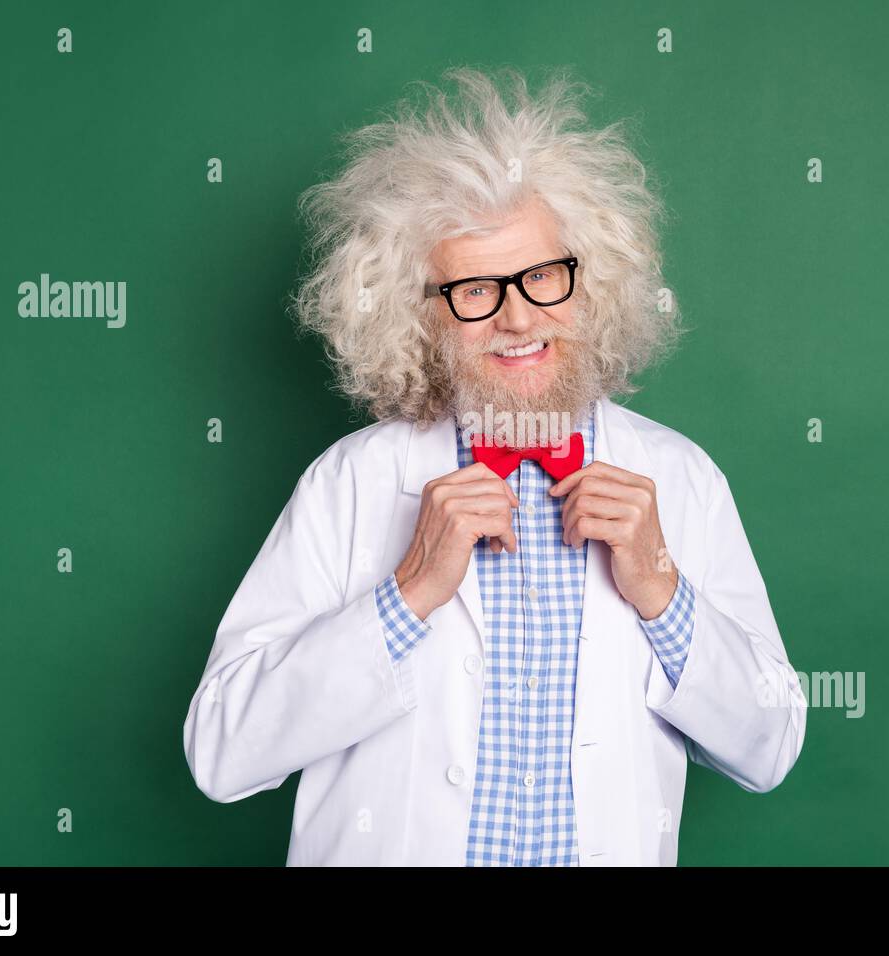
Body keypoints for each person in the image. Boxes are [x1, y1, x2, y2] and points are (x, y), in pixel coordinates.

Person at [182, 66, 807, 866]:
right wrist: (408, 592)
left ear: (591, 282)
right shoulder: (350, 483)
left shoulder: (682, 479)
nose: (517, 316)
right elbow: (222, 752)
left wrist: (660, 586)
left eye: (542, 276)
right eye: (474, 289)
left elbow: (771, 745)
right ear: (421, 315)